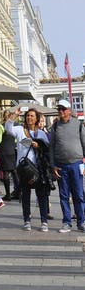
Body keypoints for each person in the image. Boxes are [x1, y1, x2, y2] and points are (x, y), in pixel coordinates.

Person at [5, 106, 52, 232]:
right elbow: (8, 129)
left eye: (32, 116)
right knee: (25, 195)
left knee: (41, 196)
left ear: (36, 119)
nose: (29, 117)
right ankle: (27, 220)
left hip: (38, 168)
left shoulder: (41, 133)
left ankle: (44, 221)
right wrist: (14, 115)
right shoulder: (20, 130)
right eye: (27, 115)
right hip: (24, 169)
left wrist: (39, 146)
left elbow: (47, 150)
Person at [48, 99, 85, 233]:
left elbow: (84, 143)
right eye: (59, 109)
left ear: (69, 110)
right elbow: (51, 147)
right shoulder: (55, 126)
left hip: (76, 164)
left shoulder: (78, 124)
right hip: (61, 166)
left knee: (79, 195)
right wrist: (53, 165)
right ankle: (67, 223)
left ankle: (81, 222)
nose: (61, 112)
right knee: (64, 195)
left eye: (63, 109)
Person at [0, 110, 19, 201]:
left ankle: (8, 195)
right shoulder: (14, 127)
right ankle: (18, 192)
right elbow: (16, 140)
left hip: (4, 151)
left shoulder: (1, 126)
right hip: (12, 150)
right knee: (15, 172)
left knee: (6, 173)